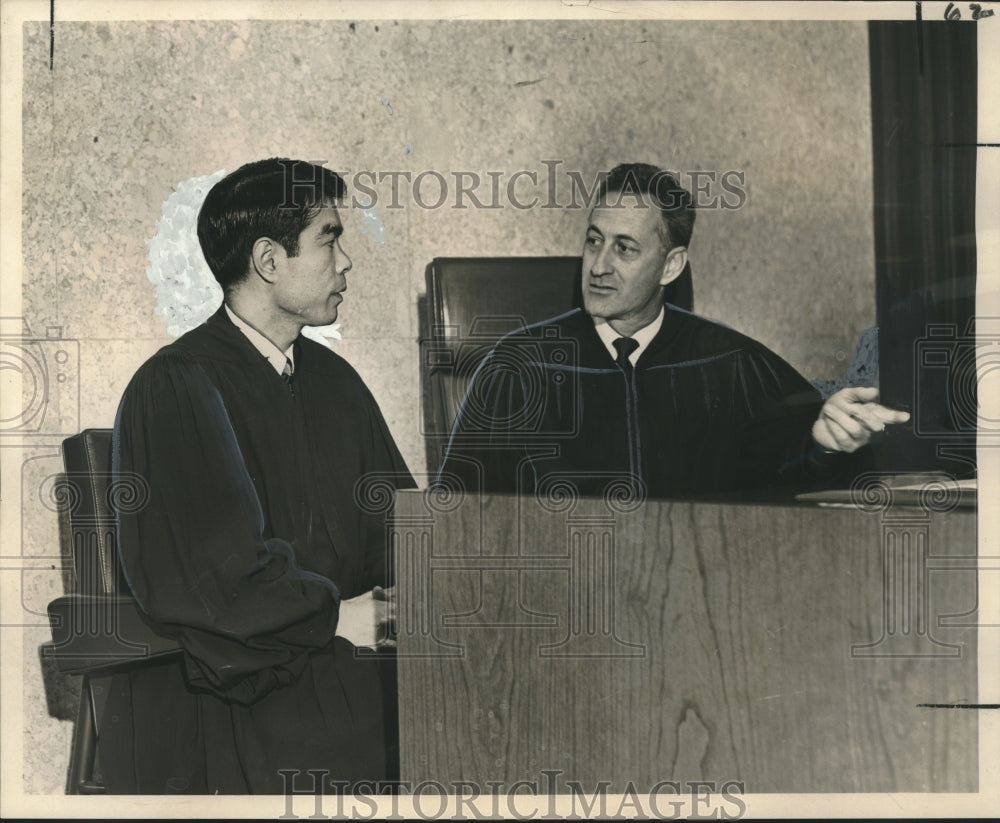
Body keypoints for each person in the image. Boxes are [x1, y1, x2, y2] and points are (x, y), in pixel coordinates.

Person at [106, 158, 414, 793]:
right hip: (242, 693)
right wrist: (335, 620)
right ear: (269, 260)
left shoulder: (337, 382)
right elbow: (213, 577)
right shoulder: (175, 384)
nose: (346, 261)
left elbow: (403, 529)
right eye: (330, 238)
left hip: (353, 671)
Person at [437, 163, 908, 499]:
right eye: (594, 241)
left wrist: (823, 441)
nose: (598, 266)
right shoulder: (519, 367)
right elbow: (456, 515)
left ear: (671, 266)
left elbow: (794, 471)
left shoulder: (730, 363)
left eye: (625, 249)